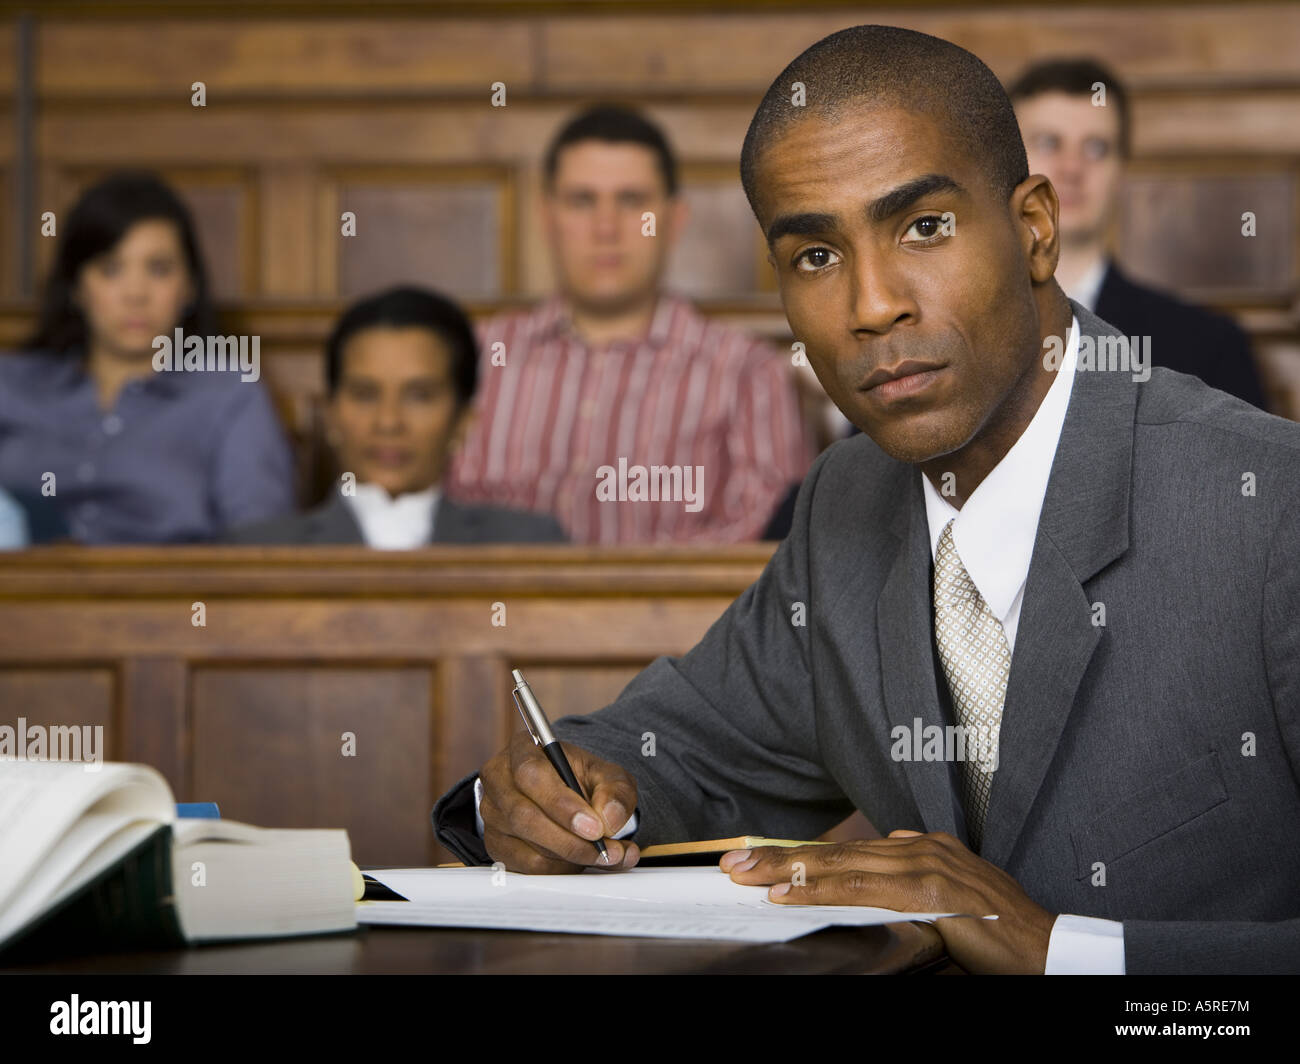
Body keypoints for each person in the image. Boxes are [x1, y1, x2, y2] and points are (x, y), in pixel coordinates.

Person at [433, 26, 1300, 975]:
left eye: (923, 226)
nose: (871, 304)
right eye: (814, 255)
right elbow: (688, 747)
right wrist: (554, 800)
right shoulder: (848, 497)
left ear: (1035, 230)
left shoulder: (1269, 510)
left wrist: (1060, 954)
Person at [446, 105, 813, 544]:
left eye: (631, 201)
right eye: (582, 200)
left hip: (681, 613)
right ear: (547, 218)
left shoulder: (746, 371)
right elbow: (419, 516)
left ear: (674, 220)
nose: (606, 228)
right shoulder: (474, 356)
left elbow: (769, 542)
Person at [0, 173, 295, 543]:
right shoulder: (11, 385)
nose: (136, 294)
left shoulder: (228, 395)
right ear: (76, 287)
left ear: (189, 286)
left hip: (176, 595)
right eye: (111, 269)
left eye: (158, 269)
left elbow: (262, 543)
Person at [1008, 58, 1268, 408]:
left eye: (1096, 148)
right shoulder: (949, 334)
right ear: (1005, 162)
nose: (1071, 168)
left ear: (1122, 171)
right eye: (1048, 143)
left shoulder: (1208, 345)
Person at [229, 286, 565, 546]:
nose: (388, 422)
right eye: (364, 395)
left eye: (419, 396)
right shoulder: (257, 552)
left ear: (463, 421)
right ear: (331, 414)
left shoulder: (527, 543)